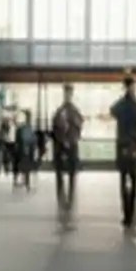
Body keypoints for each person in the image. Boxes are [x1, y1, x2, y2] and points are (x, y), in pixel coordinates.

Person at [110, 76, 136, 229]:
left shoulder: (120, 106)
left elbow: (112, 111)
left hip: (122, 144)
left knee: (124, 179)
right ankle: (129, 212)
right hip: (134, 145)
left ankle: (127, 214)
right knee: (133, 178)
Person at [51, 84, 85, 227]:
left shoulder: (74, 111)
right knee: (60, 174)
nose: (68, 96)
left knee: (71, 174)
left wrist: (71, 138)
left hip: (71, 146)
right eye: (66, 93)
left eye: (69, 93)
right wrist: (62, 139)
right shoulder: (60, 112)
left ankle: (69, 198)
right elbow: (55, 128)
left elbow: (79, 126)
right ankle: (61, 198)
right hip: (61, 146)